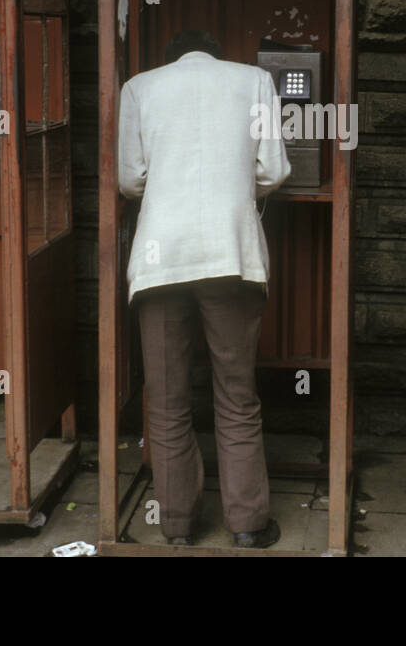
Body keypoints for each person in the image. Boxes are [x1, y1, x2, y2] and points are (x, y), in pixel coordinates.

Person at [117, 29, 291, 548]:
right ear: (217, 54)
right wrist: (236, 186)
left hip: (160, 259)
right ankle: (247, 526)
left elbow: (129, 179)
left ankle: (176, 527)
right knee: (237, 397)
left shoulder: (139, 88)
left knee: (167, 401)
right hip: (230, 254)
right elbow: (275, 168)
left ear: (172, 58)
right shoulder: (255, 80)